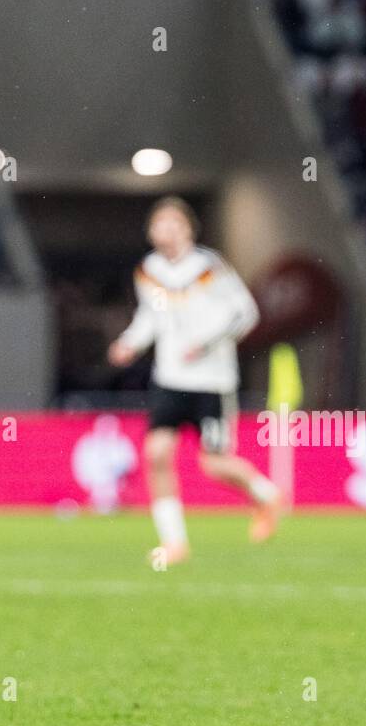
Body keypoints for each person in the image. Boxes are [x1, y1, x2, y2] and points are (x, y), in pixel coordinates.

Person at [108, 197, 281, 566]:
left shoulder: (210, 267)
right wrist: (129, 343)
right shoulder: (149, 270)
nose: (166, 231)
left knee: (214, 464)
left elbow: (245, 313)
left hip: (211, 381)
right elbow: (149, 318)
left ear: (188, 228)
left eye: (174, 223)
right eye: (159, 224)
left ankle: (266, 495)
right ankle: (174, 542)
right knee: (156, 454)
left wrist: (205, 343)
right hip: (169, 379)